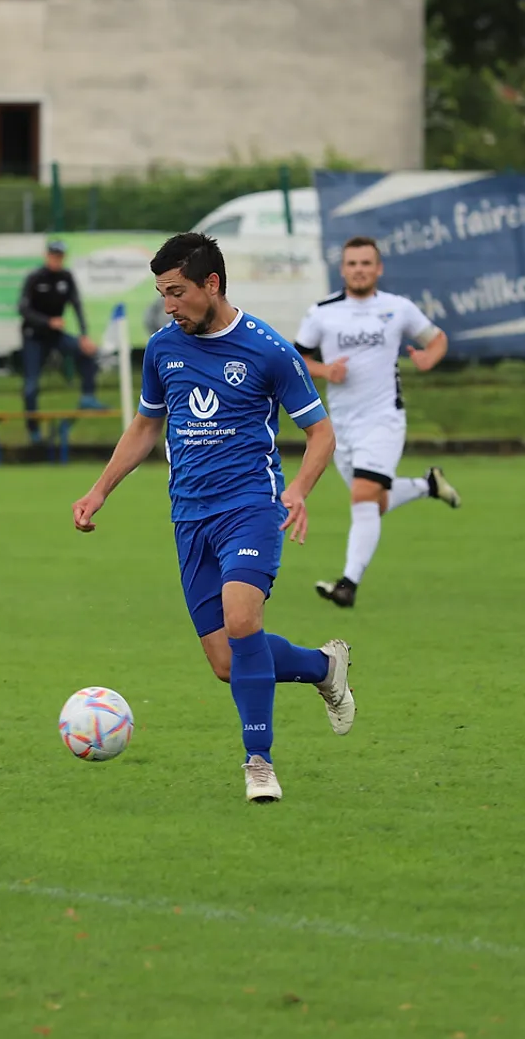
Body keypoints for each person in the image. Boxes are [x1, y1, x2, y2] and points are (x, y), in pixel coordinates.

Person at [72, 233, 353, 804]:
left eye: (176, 292)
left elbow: (320, 432)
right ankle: (323, 667)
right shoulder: (162, 348)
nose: (169, 305)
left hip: (251, 507)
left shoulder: (268, 349)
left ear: (212, 284)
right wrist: (100, 489)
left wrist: (298, 489)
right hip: (188, 517)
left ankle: (259, 763)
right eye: (162, 294)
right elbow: (146, 424)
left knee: (242, 620)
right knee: (227, 661)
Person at [293, 235, 460, 609]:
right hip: (341, 424)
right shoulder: (322, 311)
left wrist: (428, 359)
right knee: (373, 501)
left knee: (363, 496)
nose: (359, 270)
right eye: (352, 263)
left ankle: (347, 584)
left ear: (379, 268)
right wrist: (324, 369)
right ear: (343, 269)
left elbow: (437, 339)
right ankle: (428, 485)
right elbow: (296, 357)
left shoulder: (397, 308)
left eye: (366, 263)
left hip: (384, 418)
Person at [18, 238, 104, 441]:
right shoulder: (35, 278)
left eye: (60, 256)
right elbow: (23, 309)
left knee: (86, 351)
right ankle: (33, 430)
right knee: (31, 386)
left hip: (56, 336)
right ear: (47, 256)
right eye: (54, 255)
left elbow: (77, 306)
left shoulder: (66, 278)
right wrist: (47, 321)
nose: (57, 260)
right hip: (34, 337)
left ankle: (88, 395)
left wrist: (84, 335)